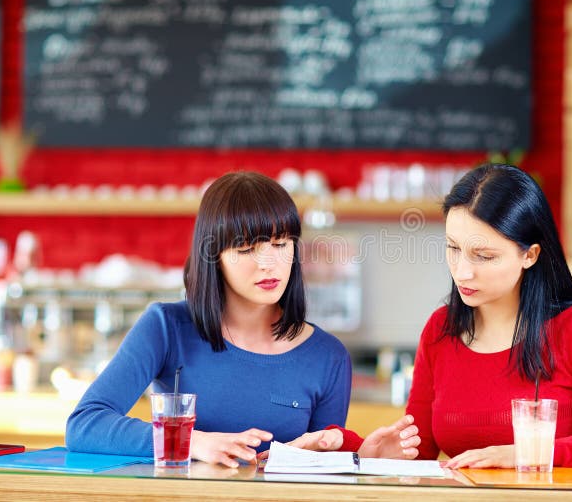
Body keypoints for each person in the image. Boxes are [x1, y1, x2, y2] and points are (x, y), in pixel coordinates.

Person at [291, 163, 572, 470]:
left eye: (484, 256)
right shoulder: (441, 331)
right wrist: (363, 449)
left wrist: (533, 454)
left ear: (529, 254)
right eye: (453, 248)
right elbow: (422, 453)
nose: (462, 271)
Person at [67, 172, 375, 467]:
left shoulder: (328, 357)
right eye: (246, 248)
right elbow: (85, 424)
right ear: (213, 255)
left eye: (281, 244)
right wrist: (192, 442)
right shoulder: (165, 327)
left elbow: (325, 476)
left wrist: (319, 457)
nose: (269, 264)